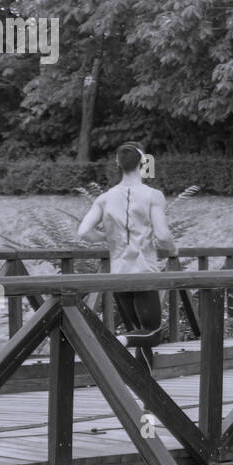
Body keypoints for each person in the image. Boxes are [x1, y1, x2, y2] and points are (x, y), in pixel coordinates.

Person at [77, 141, 177, 368]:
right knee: (153, 335)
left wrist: (108, 236)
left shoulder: (104, 198)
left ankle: (147, 400)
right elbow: (162, 235)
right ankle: (116, 340)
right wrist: (173, 249)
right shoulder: (153, 195)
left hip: (120, 274)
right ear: (144, 163)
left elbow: (84, 232)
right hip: (144, 274)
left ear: (117, 164)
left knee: (141, 337)